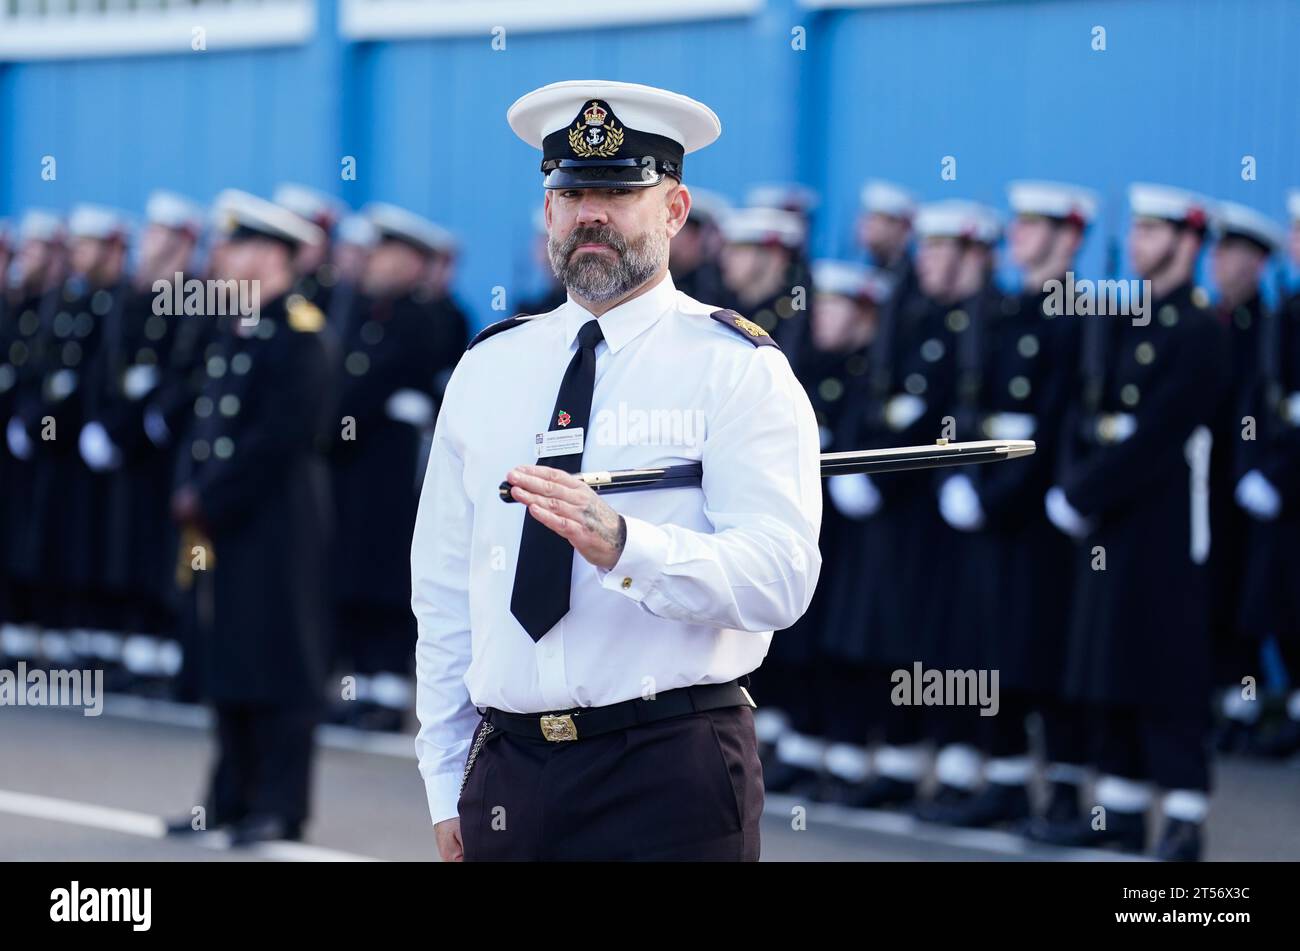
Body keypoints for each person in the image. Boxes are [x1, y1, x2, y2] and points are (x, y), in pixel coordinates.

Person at [412, 80, 822, 862]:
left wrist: (630, 547)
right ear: (548, 213)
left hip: (668, 767)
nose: (589, 214)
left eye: (616, 191)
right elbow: (442, 591)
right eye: (570, 193)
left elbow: (782, 577)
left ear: (674, 210)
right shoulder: (488, 368)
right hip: (510, 773)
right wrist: (443, 774)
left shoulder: (735, 368)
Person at [1033, 184, 1227, 861]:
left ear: (1188, 241)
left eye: (1155, 231)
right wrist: (1076, 479)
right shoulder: (1127, 319)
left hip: (1166, 527)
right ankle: (1117, 807)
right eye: (1138, 230)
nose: (1142, 242)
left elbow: (1160, 432)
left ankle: (1182, 815)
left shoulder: (1200, 328)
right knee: (1110, 660)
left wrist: (1083, 490)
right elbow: (1090, 411)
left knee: (1167, 670)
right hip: (1111, 522)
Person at [925, 181, 1096, 829]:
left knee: (1043, 651)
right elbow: (967, 406)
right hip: (986, 501)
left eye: (1037, 225)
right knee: (989, 645)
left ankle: (1065, 787)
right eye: (1019, 223)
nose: (1020, 235)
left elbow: (1054, 420)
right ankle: (1002, 778)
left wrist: (995, 493)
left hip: (1036, 513)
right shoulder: (999, 308)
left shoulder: (1078, 314)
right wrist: (956, 478)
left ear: (1070, 237)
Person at [165, 190, 334, 846]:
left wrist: (209, 496)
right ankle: (229, 797)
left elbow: (280, 437)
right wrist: (192, 489)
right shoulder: (234, 326)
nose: (217, 258)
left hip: (277, 524)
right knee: (227, 652)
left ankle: (280, 805)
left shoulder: (298, 332)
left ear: (268, 254)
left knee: (282, 659)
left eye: (230, 246)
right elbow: (205, 426)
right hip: (224, 522)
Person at [756, 260, 892, 801]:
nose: (825, 318)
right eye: (824, 305)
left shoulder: (869, 372)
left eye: (840, 307)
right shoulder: (808, 368)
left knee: (845, 638)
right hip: (814, 526)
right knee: (803, 636)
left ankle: (842, 751)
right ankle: (801, 746)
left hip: (857, 540)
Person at [327, 201, 465, 731]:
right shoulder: (362, 312)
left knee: (388, 576)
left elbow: (417, 381)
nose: (376, 263)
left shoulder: (425, 316)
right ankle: (360, 686)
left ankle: (387, 691)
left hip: (395, 471)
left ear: (412, 263)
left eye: (388, 254)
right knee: (354, 572)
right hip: (357, 466)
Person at [84, 191, 206, 692]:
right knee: (126, 543)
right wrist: (108, 424)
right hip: (129, 447)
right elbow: (110, 368)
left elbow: (191, 371)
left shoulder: (193, 296)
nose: (148, 242)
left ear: (182, 241)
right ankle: (134, 653)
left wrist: (158, 418)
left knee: (165, 549)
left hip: (168, 446)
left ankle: (164, 657)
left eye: (159, 234)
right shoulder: (133, 295)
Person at [1205, 200, 1285, 753]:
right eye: (1220, 249)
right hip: (1207, 480)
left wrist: (1260, 469)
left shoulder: (1266, 326)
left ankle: (1248, 703)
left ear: (1258, 262)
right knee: (1209, 591)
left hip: (1247, 482)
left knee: (1246, 594)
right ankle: (1223, 699)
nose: (1221, 261)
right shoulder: (1211, 320)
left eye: (1235, 251)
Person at [1233, 190, 1300, 759]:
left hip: (1292, 485)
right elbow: (1257, 404)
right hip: (1275, 491)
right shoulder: (1285, 314)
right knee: (1274, 600)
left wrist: (1280, 476)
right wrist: (1252, 467)